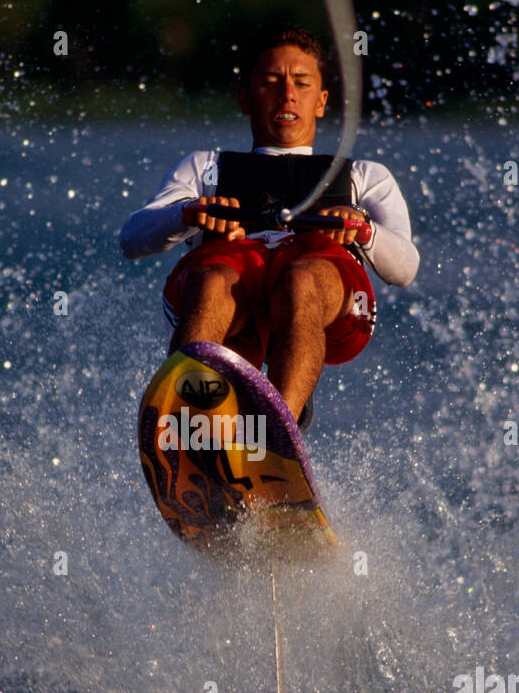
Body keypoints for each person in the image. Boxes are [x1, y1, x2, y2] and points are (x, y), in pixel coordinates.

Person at [120, 23, 418, 430]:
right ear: (245, 97)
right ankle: (191, 426)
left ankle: (276, 434)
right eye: (271, 81)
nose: (287, 94)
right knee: (213, 282)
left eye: (301, 82)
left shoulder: (364, 176)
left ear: (321, 102)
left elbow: (405, 268)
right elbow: (132, 240)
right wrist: (187, 213)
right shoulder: (204, 168)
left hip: (330, 305)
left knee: (301, 280)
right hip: (232, 296)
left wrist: (362, 229)